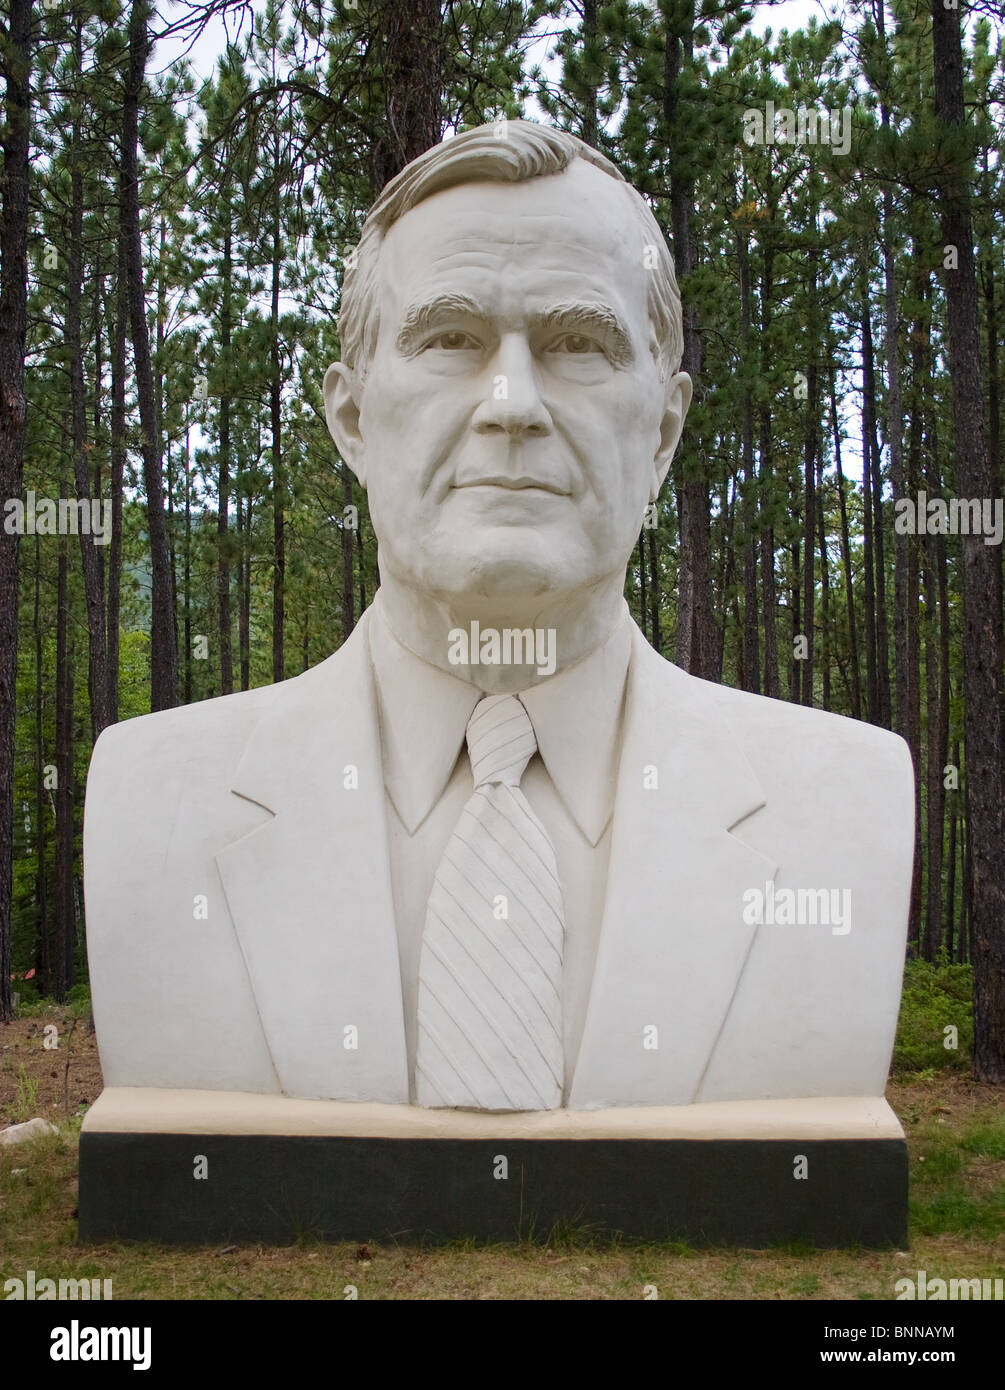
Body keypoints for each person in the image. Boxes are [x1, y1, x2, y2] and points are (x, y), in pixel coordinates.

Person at [84, 121, 913, 1112]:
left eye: (578, 344)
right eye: (451, 340)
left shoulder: (843, 801)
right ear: (352, 418)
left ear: (664, 428)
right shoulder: (155, 796)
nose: (512, 403)